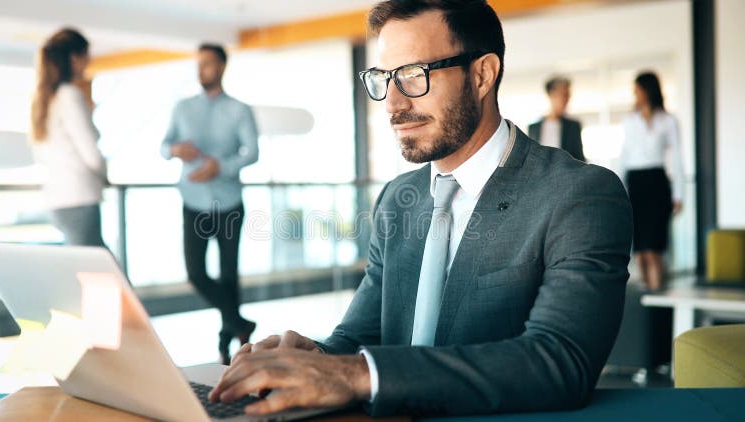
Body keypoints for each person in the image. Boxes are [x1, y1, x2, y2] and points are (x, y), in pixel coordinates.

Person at [208, 0, 632, 417]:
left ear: (482, 75)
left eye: (414, 75)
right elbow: (362, 334)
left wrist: (354, 375)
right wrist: (314, 356)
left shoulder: (579, 194)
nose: (393, 103)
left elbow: (559, 363)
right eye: (384, 78)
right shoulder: (398, 197)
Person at [161, 43, 258, 365]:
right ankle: (240, 323)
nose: (200, 70)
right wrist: (176, 150)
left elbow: (251, 152)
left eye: (207, 64)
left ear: (221, 67)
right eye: (198, 64)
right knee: (196, 274)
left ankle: (227, 341)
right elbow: (163, 147)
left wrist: (222, 166)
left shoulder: (240, 110)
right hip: (193, 203)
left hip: (230, 203)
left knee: (229, 275)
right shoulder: (182, 108)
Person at [30, 28, 106, 247]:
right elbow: (91, 153)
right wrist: (103, 174)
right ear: (75, 58)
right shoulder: (69, 96)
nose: (88, 64)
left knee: (87, 266)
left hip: (56, 199)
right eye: (86, 58)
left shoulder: (44, 99)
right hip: (79, 197)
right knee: (99, 270)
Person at [619, 71, 684, 291]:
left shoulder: (668, 120)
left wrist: (679, 194)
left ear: (648, 90)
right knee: (640, 252)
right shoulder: (629, 121)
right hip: (635, 184)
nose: (635, 94)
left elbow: (676, 159)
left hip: (657, 184)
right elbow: (624, 157)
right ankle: (649, 302)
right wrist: (617, 189)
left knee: (654, 249)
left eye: (637, 90)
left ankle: (659, 302)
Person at [528, 76, 586, 161]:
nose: (567, 100)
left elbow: (580, 159)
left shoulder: (574, 126)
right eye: (564, 95)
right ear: (551, 95)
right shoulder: (533, 128)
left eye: (568, 96)